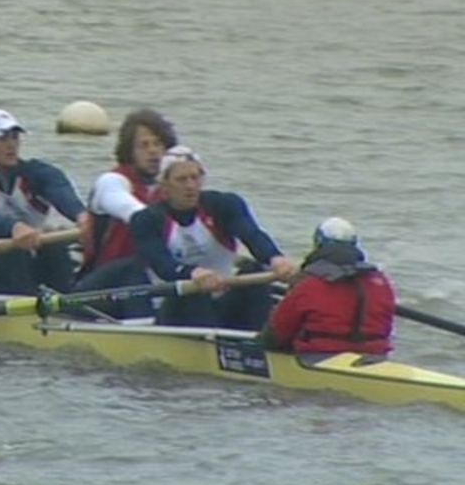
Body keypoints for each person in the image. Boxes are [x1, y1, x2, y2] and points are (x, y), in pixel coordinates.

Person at [130, 146, 298, 329]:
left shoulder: (224, 205)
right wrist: (193, 273)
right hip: (175, 306)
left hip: (222, 297)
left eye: (195, 177)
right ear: (165, 186)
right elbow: (163, 265)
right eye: (181, 179)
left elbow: (252, 235)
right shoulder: (146, 220)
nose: (190, 186)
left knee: (254, 271)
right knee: (195, 290)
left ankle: (260, 336)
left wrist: (276, 259)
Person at [0, 109, 91, 295]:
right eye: (2, 138)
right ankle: (34, 305)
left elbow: (60, 191)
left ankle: (67, 299)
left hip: (33, 262)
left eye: (15, 137)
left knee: (53, 244)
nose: (11, 144)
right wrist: (13, 228)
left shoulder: (38, 173)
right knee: (14, 249)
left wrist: (81, 216)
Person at [72, 109, 178, 318]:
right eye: (144, 145)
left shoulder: (177, 187)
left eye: (158, 144)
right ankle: (146, 330)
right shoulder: (111, 183)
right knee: (134, 267)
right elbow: (135, 213)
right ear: (130, 151)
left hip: (153, 284)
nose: (153, 151)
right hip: (102, 289)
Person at [259, 217, 396, 356]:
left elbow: (275, 336)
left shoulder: (308, 283)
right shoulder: (381, 282)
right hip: (374, 356)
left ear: (318, 243)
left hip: (317, 356)